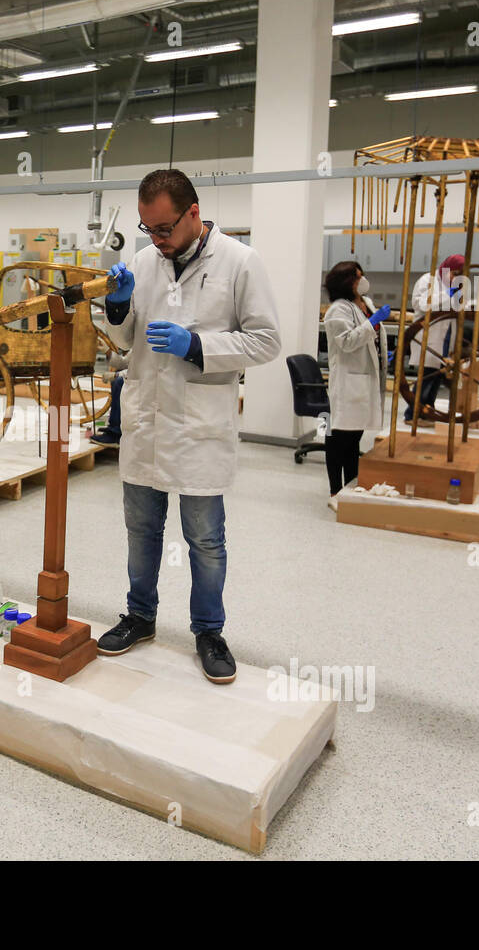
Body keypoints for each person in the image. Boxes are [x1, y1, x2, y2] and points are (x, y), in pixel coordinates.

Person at [96, 168, 281, 685]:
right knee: (141, 529)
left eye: (163, 229)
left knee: (204, 539)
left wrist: (198, 346)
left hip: (200, 427)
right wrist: (117, 304)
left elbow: (266, 341)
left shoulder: (240, 263)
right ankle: (140, 616)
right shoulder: (144, 260)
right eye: (147, 230)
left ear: (194, 214)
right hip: (146, 419)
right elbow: (126, 335)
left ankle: (208, 632)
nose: (156, 240)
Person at [323, 261, 390, 507]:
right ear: (346, 282)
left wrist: (381, 353)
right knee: (338, 439)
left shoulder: (364, 304)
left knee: (354, 439)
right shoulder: (337, 311)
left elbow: (372, 336)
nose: (362, 281)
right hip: (348, 383)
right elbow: (348, 342)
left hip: (363, 378)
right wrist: (373, 323)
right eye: (357, 277)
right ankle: (334, 492)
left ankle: (351, 486)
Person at [406, 253, 466, 420]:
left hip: (445, 336)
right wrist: (448, 293)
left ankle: (427, 411)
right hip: (428, 335)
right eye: (453, 273)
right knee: (426, 376)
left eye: (459, 275)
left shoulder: (457, 286)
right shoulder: (428, 280)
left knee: (438, 375)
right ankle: (412, 414)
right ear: (445, 268)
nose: (455, 277)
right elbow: (421, 304)